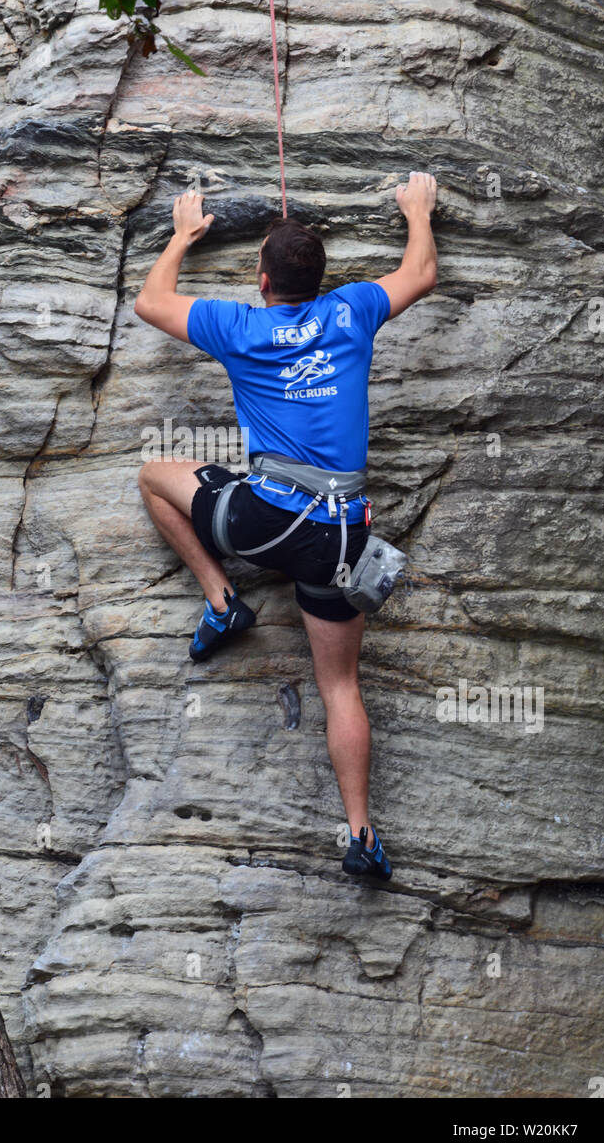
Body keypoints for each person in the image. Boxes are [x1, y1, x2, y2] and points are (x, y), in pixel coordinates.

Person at [135, 173, 438, 878]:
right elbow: (419, 272)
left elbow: (152, 302)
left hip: (265, 521)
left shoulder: (241, 326)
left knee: (155, 477)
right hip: (342, 539)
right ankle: (360, 836)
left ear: (262, 280)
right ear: (321, 278)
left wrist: (181, 235)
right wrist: (417, 212)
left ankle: (221, 601)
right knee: (341, 686)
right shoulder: (354, 310)